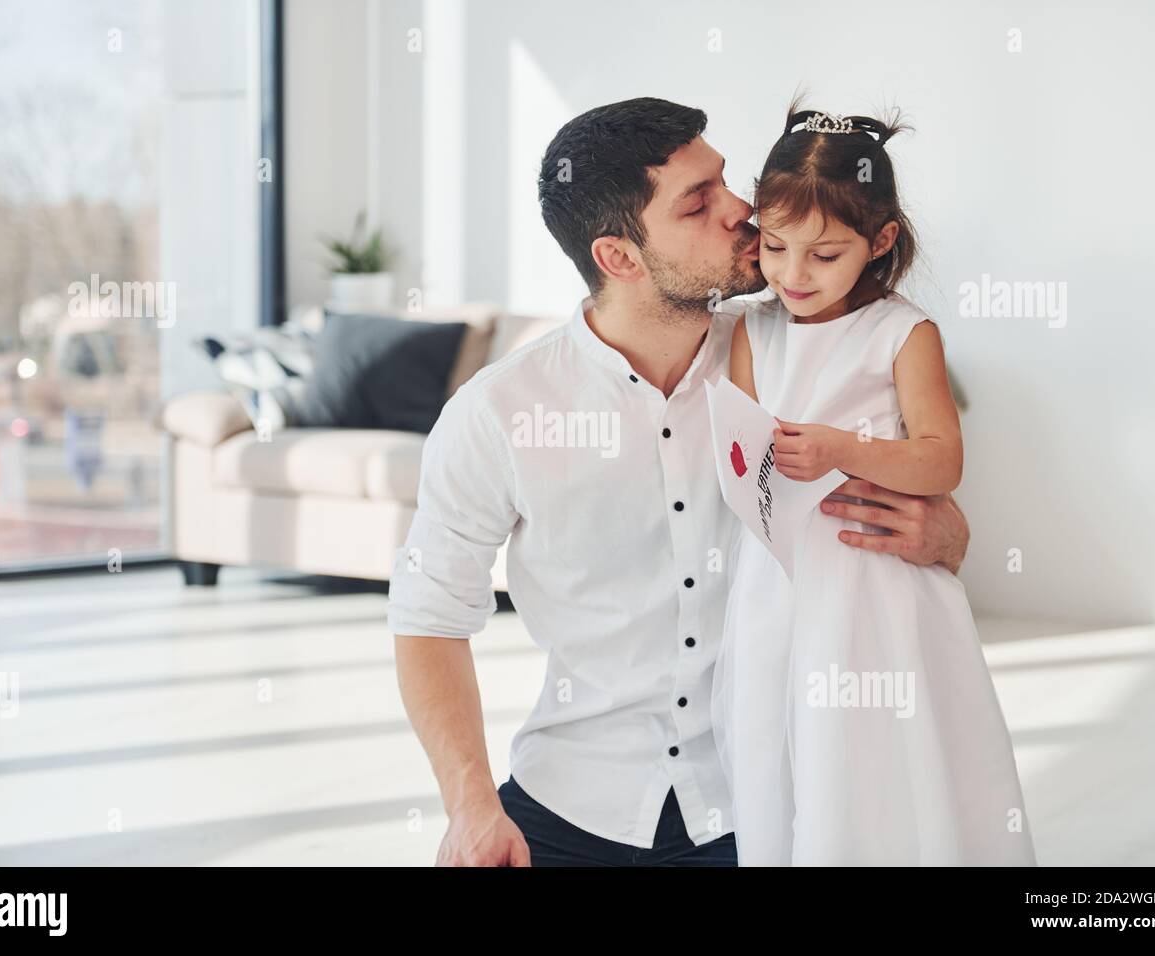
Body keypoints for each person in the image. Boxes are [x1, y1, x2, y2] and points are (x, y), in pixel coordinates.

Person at [387, 97, 972, 866]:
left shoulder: (792, 350)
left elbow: (920, 477)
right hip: (568, 808)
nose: (743, 212)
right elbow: (430, 616)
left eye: (727, 182)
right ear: (620, 257)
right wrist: (470, 808)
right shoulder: (499, 413)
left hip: (761, 800)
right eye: (700, 204)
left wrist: (948, 533)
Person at [712, 101, 1036, 865]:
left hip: (880, 578)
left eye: (825, 256)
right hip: (778, 584)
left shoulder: (902, 333)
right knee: (786, 746)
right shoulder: (752, 331)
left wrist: (839, 448)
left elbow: (939, 460)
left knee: (884, 748)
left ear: (880, 240)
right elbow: (740, 449)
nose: (793, 274)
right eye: (778, 246)